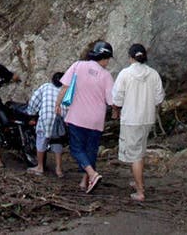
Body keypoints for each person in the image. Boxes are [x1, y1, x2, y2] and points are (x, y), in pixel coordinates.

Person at [59, 40, 115, 194]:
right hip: (96, 120)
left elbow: (65, 86)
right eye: (108, 59)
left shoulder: (78, 66)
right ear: (104, 57)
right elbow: (111, 101)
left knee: (77, 149)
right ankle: (85, 182)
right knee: (91, 150)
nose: (107, 62)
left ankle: (92, 174)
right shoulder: (106, 76)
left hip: (77, 116)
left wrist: (57, 105)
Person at [111, 43, 165, 202]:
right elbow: (159, 98)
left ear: (130, 57)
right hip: (147, 118)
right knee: (140, 151)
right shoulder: (153, 74)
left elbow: (117, 98)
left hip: (131, 119)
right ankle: (137, 181)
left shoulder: (125, 74)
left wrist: (116, 109)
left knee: (135, 155)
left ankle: (140, 191)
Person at [25, 72, 66, 177]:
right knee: (57, 142)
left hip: (46, 118)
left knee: (41, 141)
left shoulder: (46, 86)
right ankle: (59, 169)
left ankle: (40, 167)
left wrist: (31, 113)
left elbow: (34, 100)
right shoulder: (66, 89)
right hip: (59, 118)